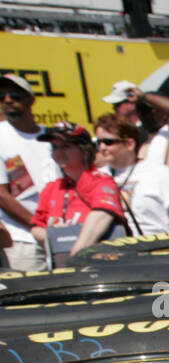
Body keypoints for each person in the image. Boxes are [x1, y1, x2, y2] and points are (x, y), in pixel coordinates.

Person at [30, 122, 126, 259]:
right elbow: (36, 227)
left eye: (66, 147)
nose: (59, 152)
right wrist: (59, 238)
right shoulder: (52, 188)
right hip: (62, 267)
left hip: (99, 264)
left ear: (84, 149)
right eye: (55, 147)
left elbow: (101, 216)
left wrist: (76, 256)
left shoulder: (102, 182)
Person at [94, 114, 169, 236]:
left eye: (108, 142)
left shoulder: (159, 173)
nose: (102, 147)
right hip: (111, 251)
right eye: (99, 142)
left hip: (155, 249)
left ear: (129, 144)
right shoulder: (97, 176)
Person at [0, 73, 58, 272]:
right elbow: (1, 195)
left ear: (31, 100)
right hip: (22, 240)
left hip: (61, 235)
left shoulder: (52, 136)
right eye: (2, 97)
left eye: (14, 95)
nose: (7, 100)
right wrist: (36, 226)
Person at [104, 83, 169, 178]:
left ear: (164, 112)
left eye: (148, 109)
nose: (143, 114)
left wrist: (143, 96)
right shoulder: (142, 140)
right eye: (139, 109)